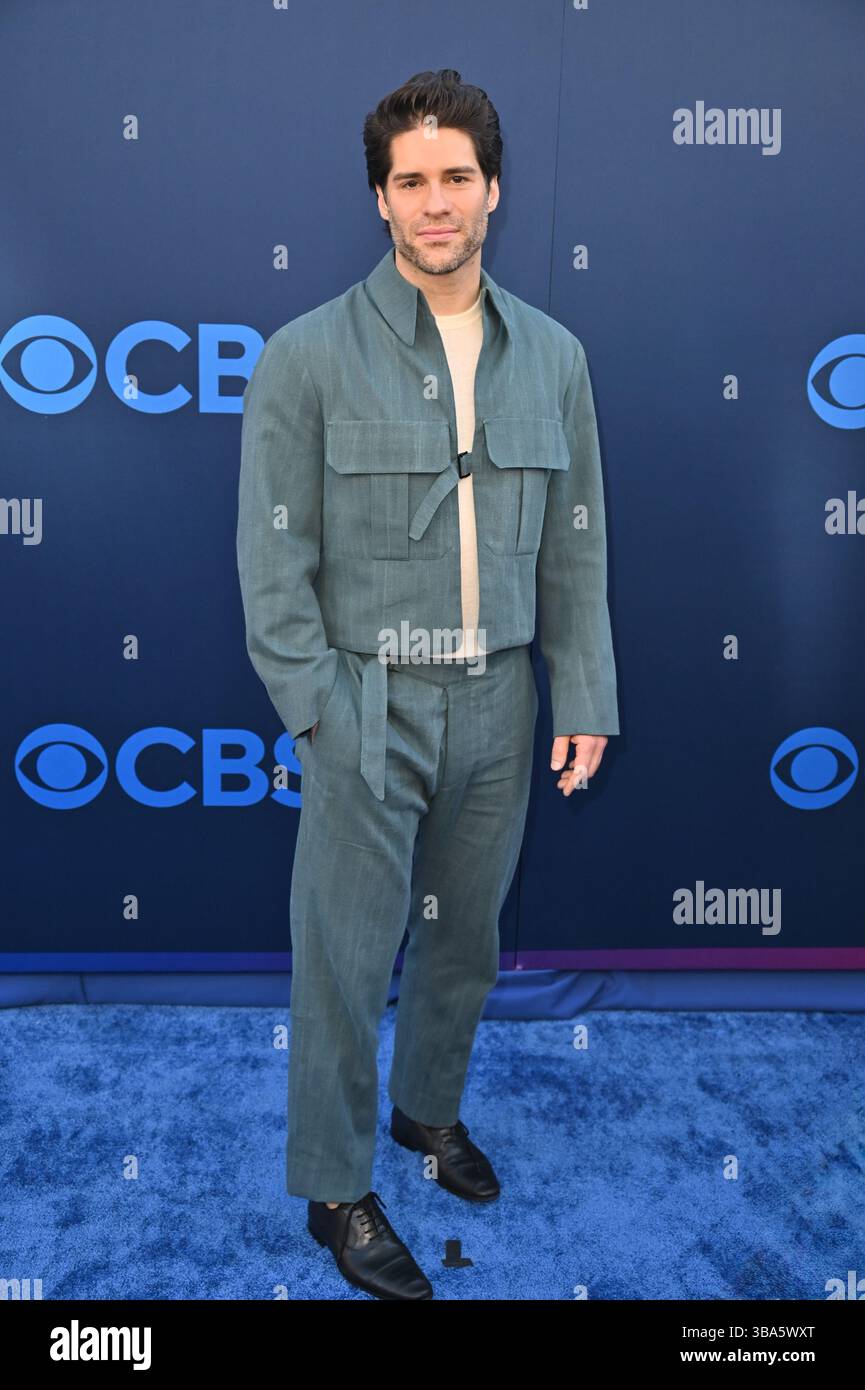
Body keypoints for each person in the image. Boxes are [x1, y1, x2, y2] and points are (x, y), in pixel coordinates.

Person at [236, 68, 619, 1301]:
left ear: (493, 190)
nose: (436, 201)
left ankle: (425, 1116)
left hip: (499, 702)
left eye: (457, 176)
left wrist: (586, 695)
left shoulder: (553, 357)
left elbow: (577, 540)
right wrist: (317, 710)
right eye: (412, 181)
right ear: (381, 200)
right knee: (342, 959)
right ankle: (336, 1189)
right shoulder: (304, 357)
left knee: (463, 946)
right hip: (365, 700)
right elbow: (271, 560)